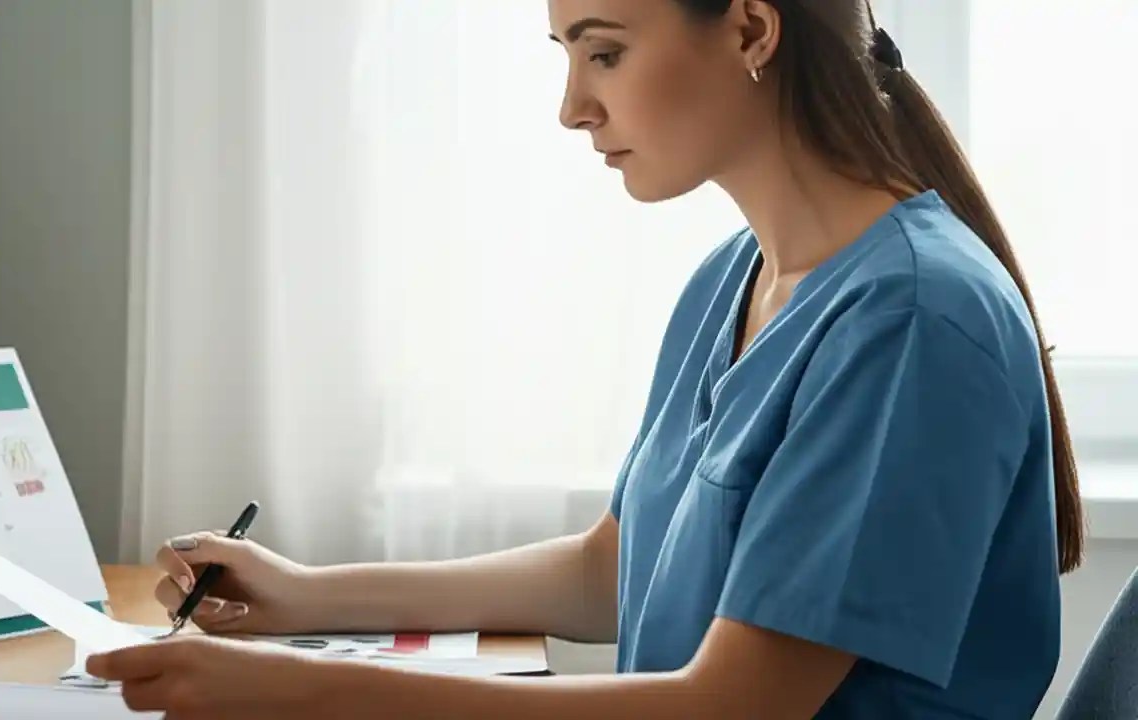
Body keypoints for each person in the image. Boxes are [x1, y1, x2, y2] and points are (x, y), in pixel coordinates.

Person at [87, 0, 1085, 717]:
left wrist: (305, 695)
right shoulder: (734, 277)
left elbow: (734, 707)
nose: (572, 106)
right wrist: (304, 596)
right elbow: (610, 570)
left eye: (602, 54)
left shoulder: (908, 320)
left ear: (749, 30)